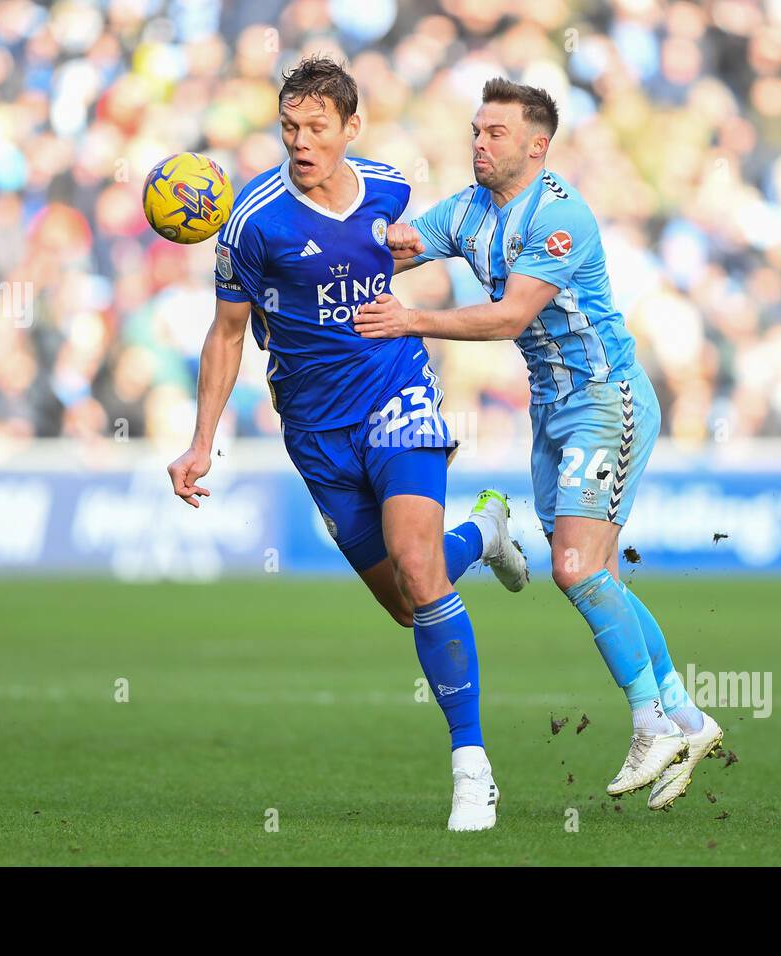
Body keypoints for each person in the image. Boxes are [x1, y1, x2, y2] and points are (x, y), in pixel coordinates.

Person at [167, 57, 528, 831]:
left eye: (317, 128)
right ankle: (488, 531)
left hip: (396, 389)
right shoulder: (250, 224)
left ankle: (472, 767)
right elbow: (227, 335)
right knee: (407, 602)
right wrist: (201, 443)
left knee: (420, 564)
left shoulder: (390, 188)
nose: (301, 142)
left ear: (349, 128)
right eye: (290, 127)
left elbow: (431, 241)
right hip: (315, 428)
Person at [354, 78, 721, 810]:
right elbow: (400, 245)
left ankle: (651, 722)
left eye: (494, 133)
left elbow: (509, 317)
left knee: (576, 569)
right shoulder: (467, 208)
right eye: (476, 130)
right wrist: (334, 234)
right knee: (598, 574)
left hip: (604, 400)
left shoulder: (559, 217)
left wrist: (411, 321)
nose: (479, 143)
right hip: (551, 412)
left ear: (535, 144)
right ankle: (687, 716)